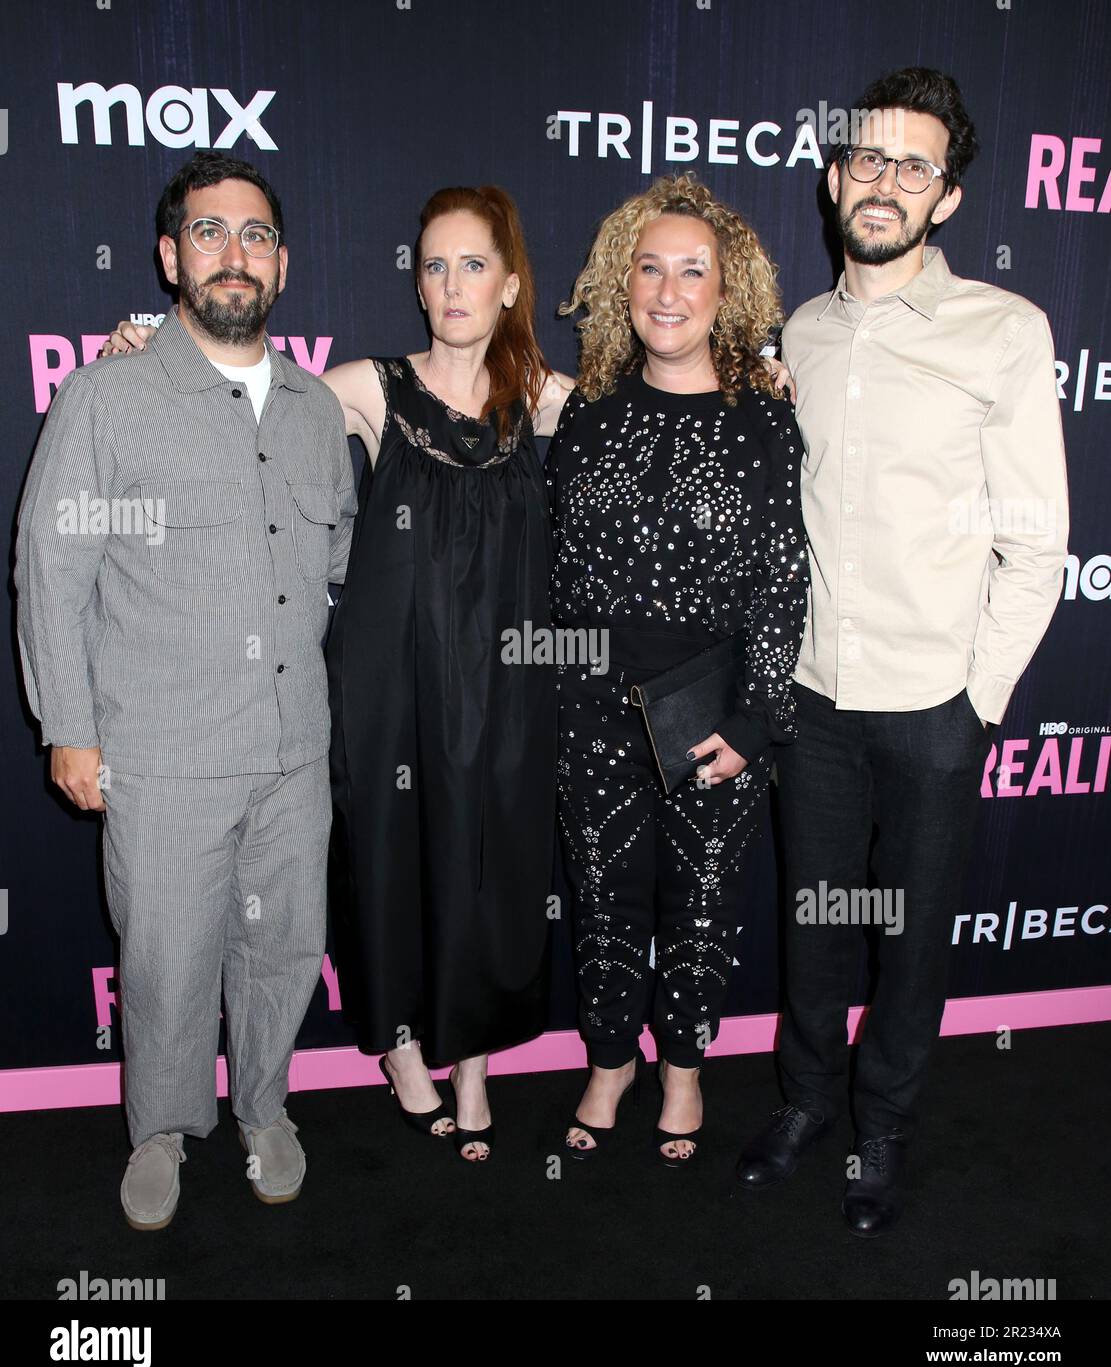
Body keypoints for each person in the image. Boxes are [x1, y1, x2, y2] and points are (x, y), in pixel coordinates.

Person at [106, 184, 575, 1162]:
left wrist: (764, 375)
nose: (450, 285)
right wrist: (143, 351)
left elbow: (661, 424)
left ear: (510, 283)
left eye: (473, 265)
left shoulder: (554, 402)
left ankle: (475, 1059)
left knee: (492, 869)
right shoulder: (367, 388)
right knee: (392, 860)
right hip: (388, 684)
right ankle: (403, 1047)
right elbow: (240, 381)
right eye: (434, 264)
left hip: (506, 687)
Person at [735, 68, 1070, 1234]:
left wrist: (974, 701)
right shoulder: (803, 334)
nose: (884, 184)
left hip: (933, 699)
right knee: (816, 924)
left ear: (949, 197)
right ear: (834, 181)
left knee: (909, 938)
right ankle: (807, 1102)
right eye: (866, 161)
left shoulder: (1005, 331)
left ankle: (883, 1127)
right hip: (813, 695)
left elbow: (1038, 543)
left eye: (912, 166)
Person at [16, 151, 356, 1229]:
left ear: (283, 264)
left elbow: (337, 559)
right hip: (160, 753)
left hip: (294, 749)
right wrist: (68, 726)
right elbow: (51, 567)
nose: (233, 254)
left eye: (254, 235)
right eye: (209, 233)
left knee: (285, 948)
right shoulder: (111, 395)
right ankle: (159, 1129)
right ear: (170, 256)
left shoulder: (311, 407)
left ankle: (264, 1109)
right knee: (163, 959)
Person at [548, 173, 810, 1166]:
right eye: (648, 268)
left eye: (690, 270)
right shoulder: (587, 416)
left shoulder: (767, 424)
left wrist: (752, 723)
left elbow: (784, 585)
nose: (667, 289)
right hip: (592, 714)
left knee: (702, 899)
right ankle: (610, 1059)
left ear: (725, 289)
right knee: (603, 896)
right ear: (624, 285)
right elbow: (561, 580)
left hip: (712, 715)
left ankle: (686, 1066)